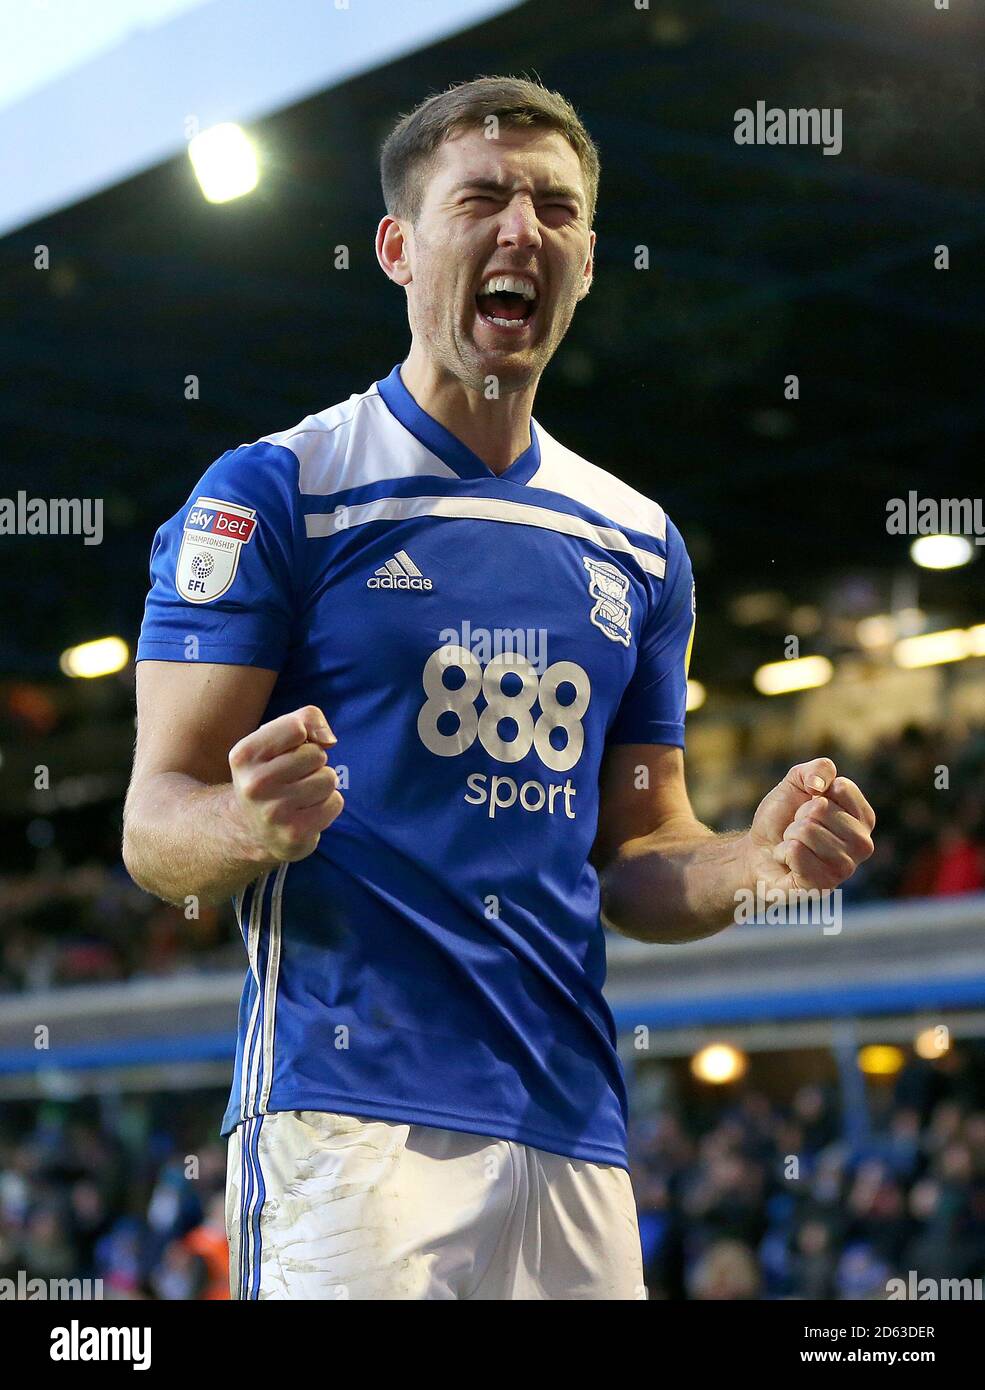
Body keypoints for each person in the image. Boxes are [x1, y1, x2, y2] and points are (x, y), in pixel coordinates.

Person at [123, 75, 875, 1300]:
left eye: (556, 207)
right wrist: (245, 822)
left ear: (584, 257)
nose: (523, 228)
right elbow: (154, 828)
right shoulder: (277, 493)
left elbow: (637, 853)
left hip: (574, 1129)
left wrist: (751, 864)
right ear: (397, 248)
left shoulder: (637, 540)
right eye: (480, 197)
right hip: (354, 1126)